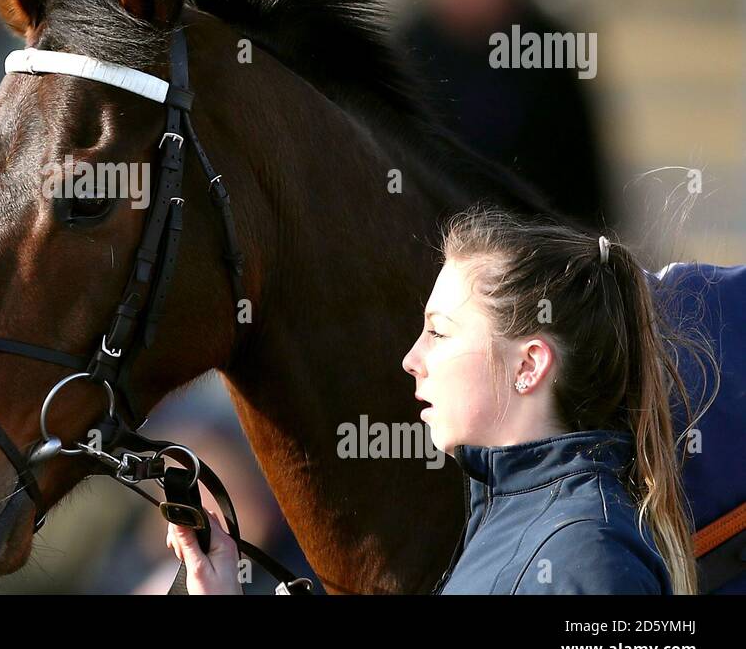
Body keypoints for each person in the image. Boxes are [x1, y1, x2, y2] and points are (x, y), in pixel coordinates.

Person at [168, 205, 703, 594]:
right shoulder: (510, 519)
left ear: (529, 365)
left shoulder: (587, 559)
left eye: (440, 333)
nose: (411, 358)